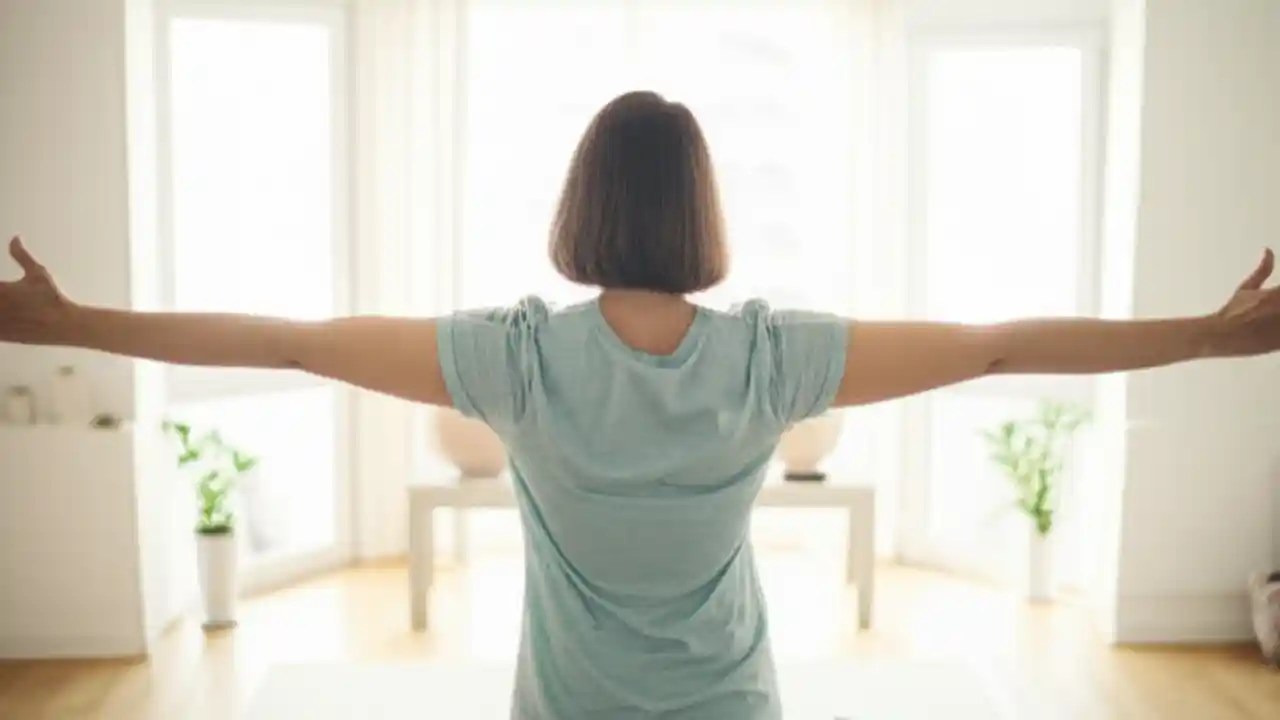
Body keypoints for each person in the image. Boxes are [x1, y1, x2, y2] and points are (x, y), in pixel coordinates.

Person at [1, 90, 1277, 719]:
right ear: (700, 210)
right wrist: (1208, 342)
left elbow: (283, 341)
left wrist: (69, 325)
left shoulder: (515, 358)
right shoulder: (772, 358)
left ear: (581, 206)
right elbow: (996, 347)